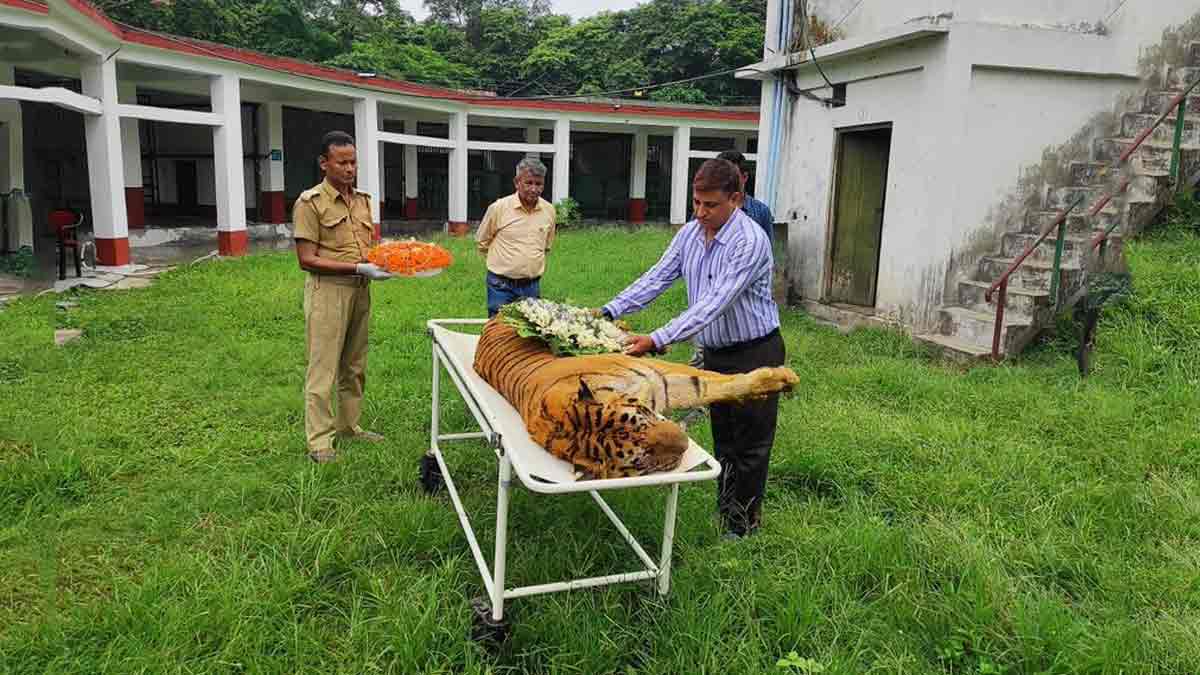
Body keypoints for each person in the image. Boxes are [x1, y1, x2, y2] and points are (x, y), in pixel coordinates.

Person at [599, 159, 784, 539]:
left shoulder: (749, 241)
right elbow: (657, 277)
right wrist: (608, 311)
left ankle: (743, 527)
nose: (700, 212)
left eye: (710, 205)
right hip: (715, 354)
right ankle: (727, 512)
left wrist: (657, 338)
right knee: (724, 439)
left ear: (736, 199)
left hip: (755, 352)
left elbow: (714, 303)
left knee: (750, 443)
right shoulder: (690, 233)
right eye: (696, 202)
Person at [293, 130, 394, 464]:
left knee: (354, 364)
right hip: (329, 292)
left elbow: (369, 246)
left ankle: (349, 426)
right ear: (324, 163)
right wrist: (357, 267)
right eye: (342, 163)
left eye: (353, 162)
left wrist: (388, 260)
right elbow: (306, 259)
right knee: (323, 368)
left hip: (361, 290)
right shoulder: (310, 203)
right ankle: (320, 442)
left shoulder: (363, 200)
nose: (350, 169)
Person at [476, 157, 556, 317]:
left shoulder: (549, 211)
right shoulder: (499, 208)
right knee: (499, 328)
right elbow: (482, 241)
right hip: (500, 285)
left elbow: (546, 246)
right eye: (529, 183)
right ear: (517, 182)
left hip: (531, 286)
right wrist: (505, 263)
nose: (534, 189)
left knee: (530, 328)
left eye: (538, 184)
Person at [716, 150, 774, 242]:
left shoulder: (761, 212)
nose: (726, 181)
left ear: (745, 177)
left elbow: (767, 248)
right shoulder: (706, 208)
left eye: (732, 176)